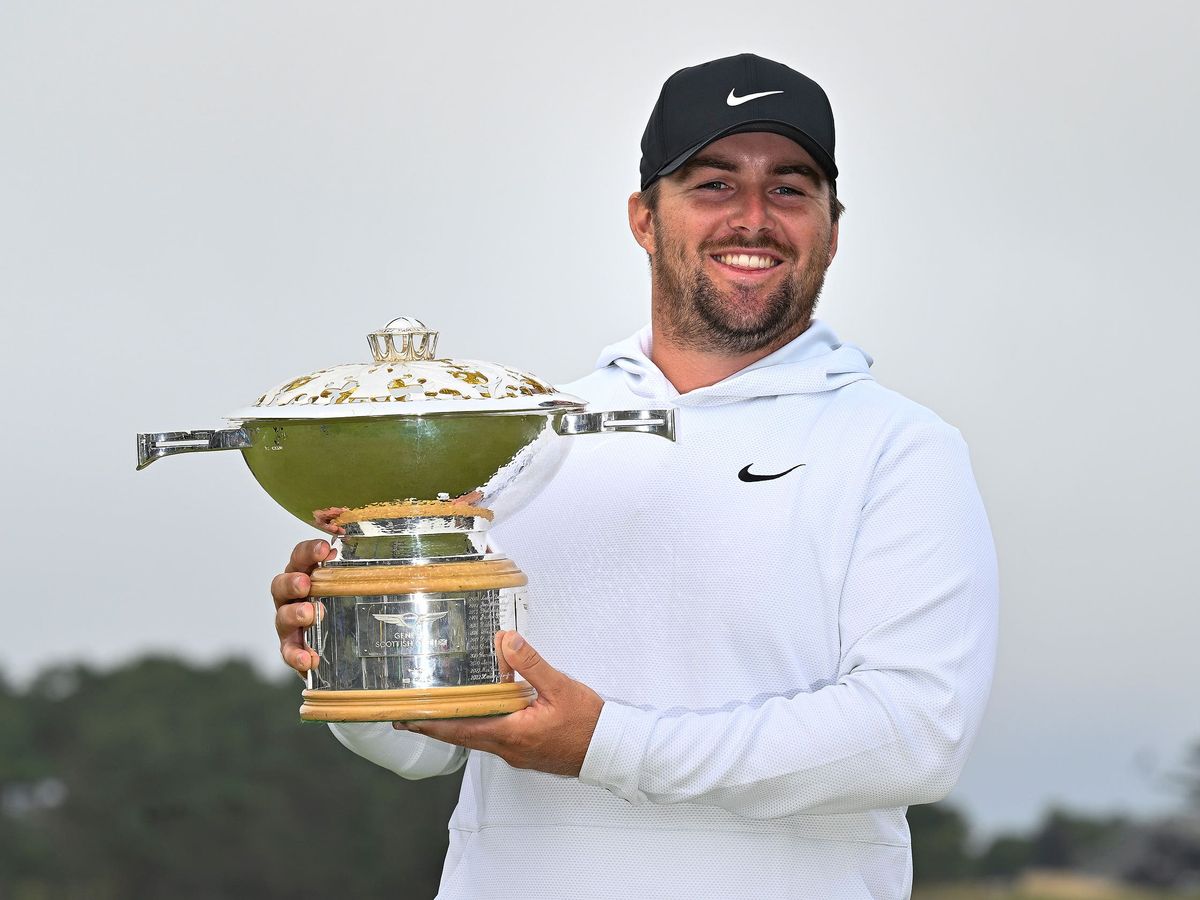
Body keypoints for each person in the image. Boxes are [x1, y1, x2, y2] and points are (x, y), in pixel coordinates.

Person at [272, 53, 998, 899]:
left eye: (790, 188)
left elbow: (915, 734)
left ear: (832, 228)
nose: (754, 217)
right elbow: (425, 747)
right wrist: (354, 647)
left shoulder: (899, 447)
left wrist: (605, 744)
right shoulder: (526, 438)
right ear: (644, 219)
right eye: (714, 184)